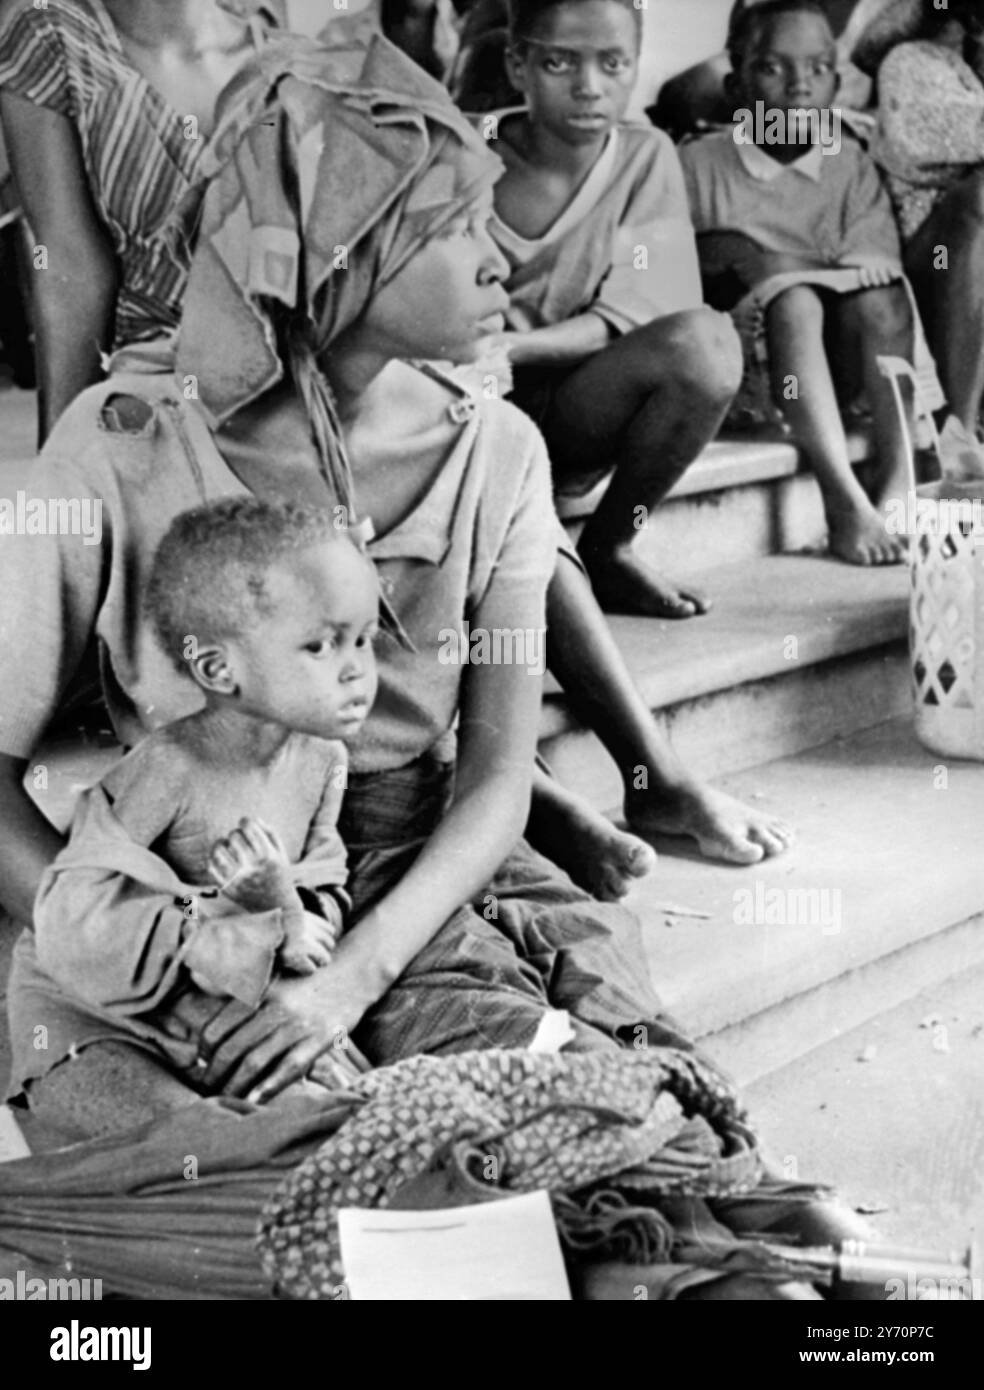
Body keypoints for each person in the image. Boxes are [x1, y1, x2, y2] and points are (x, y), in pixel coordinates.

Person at [0, 34, 874, 1300]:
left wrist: (345, 977)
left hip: (414, 868)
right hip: (168, 896)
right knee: (230, 1168)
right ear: (336, 250)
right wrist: (161, 966)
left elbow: (498, 777)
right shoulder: (116, 448)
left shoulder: (501, 454)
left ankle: (670, 1258)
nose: (503, 256)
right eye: (451, 227)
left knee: (562, 1112)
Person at [30, 499, 381, 1102]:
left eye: (365, 640)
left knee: (343, 1107)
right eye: (323, 647)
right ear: (219, 670)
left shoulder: (326, 760)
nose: (358, 672)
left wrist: (285, 911)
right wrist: (217, 929)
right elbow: (70, 916)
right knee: (197, 1144)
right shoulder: (170, 768)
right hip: (102, 1014)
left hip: (232, 1003)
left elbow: (324, 888)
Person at [472, 0, 743, 619]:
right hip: (469, 408)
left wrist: (512, 348)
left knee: (707, 347)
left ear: (634, 66)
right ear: (518, 64)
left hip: (574, 410)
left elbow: (630, 316)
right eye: (560, 61)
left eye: (613, 64)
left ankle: (611, 546)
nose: (589, 87)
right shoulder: (465, 149)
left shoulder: (645, 156)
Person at [679, 0, 939, 567]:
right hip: (750, 379)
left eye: (819, 69)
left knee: (882, 298)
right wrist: (769, 272)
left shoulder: (848, 164)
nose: (800, 87)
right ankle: (842, 499)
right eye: (774, 68)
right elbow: (678, 270)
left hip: (834, 373)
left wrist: (770, 262)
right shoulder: (697, 166)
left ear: (838, 83)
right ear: (736, 83)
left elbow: (873, 274)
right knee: (795, 302)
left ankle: (897, 480)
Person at [0, 0, 288, 445]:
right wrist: (60, 464)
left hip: (289, 395)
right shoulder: (51, 34)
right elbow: (71, 269)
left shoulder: (277, 48)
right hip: (151, 399)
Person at [857, 0, 984, 439]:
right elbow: (923, 140)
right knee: (979, 198)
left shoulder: (965, 65)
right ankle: (958, 437)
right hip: (932, 255)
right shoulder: (910, 60)